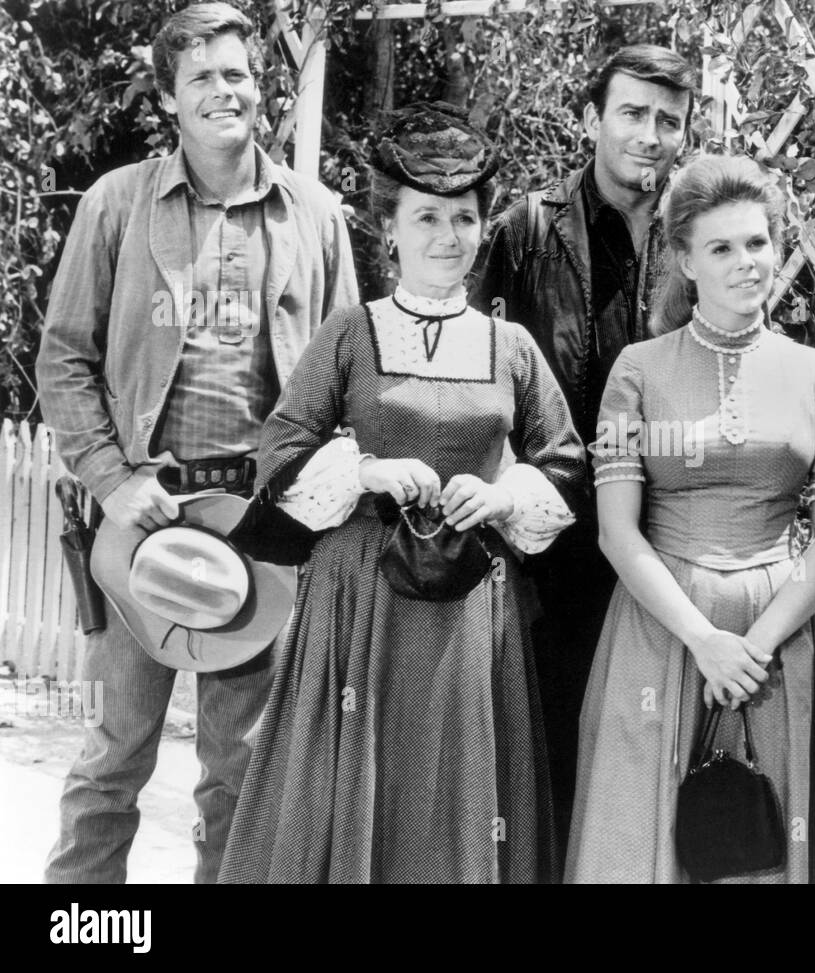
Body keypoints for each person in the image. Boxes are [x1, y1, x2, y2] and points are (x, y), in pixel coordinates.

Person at [217, 104, 587, 884]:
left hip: (471, 610)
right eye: (426, 217)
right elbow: (279, 455)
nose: (446, 236)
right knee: (355, 779)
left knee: (449, 787)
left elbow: (562, 465)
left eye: (463, 217)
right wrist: (366, 471)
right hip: (360, 604)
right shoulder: (351, 332)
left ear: (483, 228)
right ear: (389, 229)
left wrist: (500, 494)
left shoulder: (509, 345)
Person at [35, 1, 358, 884]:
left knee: (239, 776)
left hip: (259, 531)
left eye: (239, 74)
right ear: (169, 98)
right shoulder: (117, 205)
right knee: (111, 760)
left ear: (262, 88)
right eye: (203, 77)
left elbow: (345, 380)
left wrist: (313, 497)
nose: (226, 91)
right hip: (146, 515)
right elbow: (62, 361)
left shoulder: (315, 215)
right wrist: (110, 479)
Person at [566, 154, 815, 883]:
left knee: (765, 842)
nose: (745, 263)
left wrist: (751, 648)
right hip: (661, 630)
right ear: (683, 260)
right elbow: (616, 531)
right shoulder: (637, 369)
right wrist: (705, 642)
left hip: (774, 637)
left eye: (758, 243)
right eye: (721, 247)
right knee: (642, 841)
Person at [469, 44, 698, 849]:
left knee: (655, 757)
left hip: (666, 543)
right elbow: (471, 375)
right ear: (593, 119)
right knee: (545, 758)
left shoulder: (699, 237)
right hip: (551, 546)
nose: (649, 135)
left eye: (668, 120)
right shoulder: (528, 231)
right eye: (632, 113)